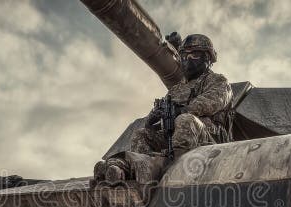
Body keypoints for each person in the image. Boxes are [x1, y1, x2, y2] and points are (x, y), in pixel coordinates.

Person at [99, 34, 233, 183]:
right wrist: (153, 119)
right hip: (175, 136)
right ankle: (134, 169)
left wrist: (182, 110)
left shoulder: (218, 81)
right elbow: (161, 110)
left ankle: (173, 171)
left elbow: (213, 101)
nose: (187, 59)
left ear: (208, 58)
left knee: (186, 120)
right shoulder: (176, 89)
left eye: (194, 55)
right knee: (141, 134)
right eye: (183, 55)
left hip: (210, 137)